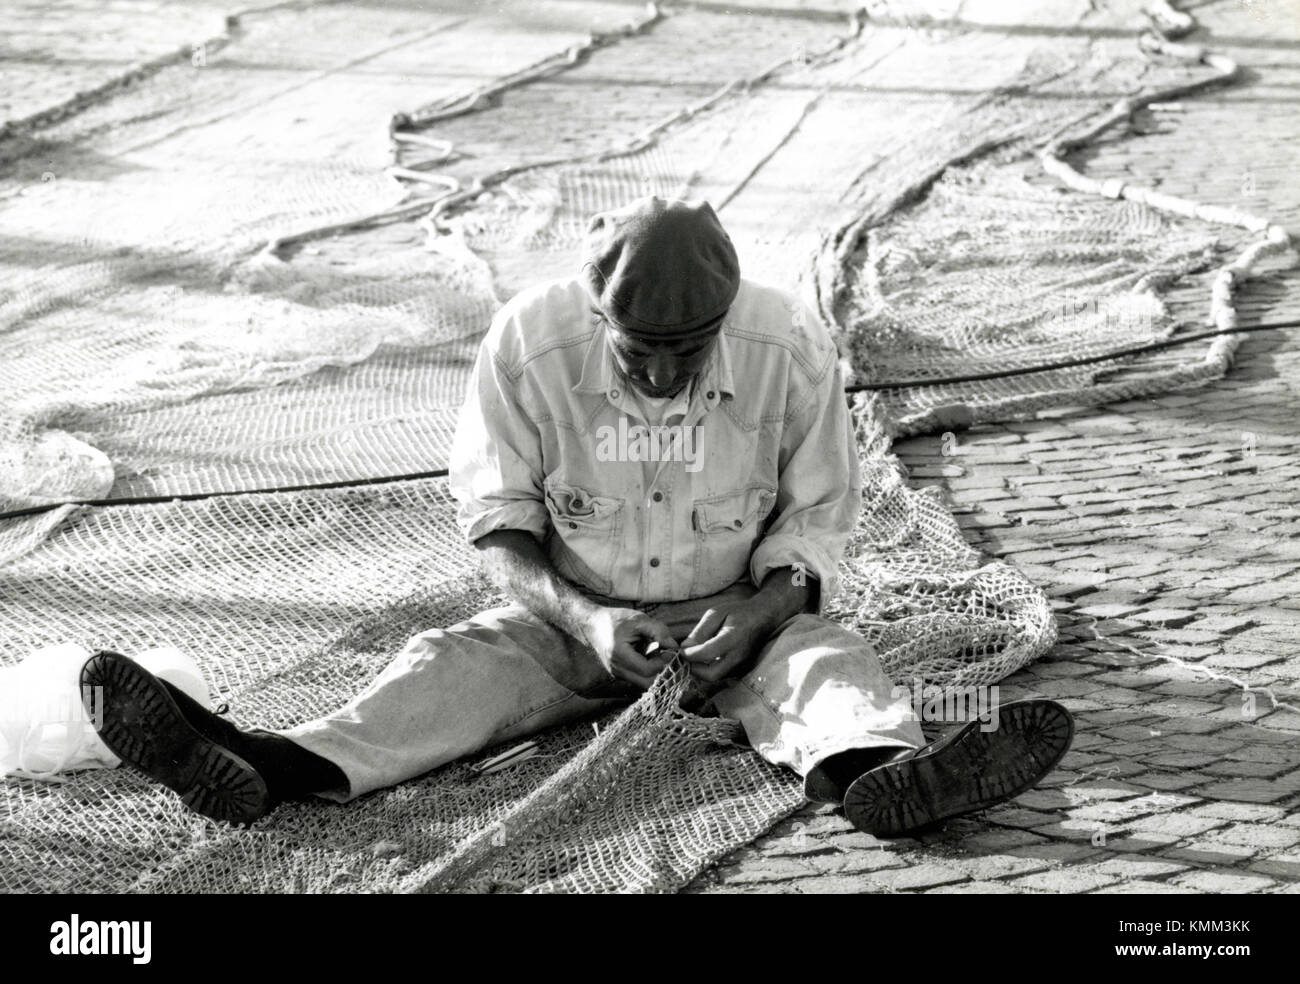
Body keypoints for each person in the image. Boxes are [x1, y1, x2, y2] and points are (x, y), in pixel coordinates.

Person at [81, 196, 1073, 837]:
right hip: (572, 626)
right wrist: (586, 618)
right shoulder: (527, 341)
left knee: (825, 665)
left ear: (727, 321)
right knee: (448, 669)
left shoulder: (790, 344)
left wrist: (766, 608)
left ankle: (888, 779)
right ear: (595, 313)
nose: (661, 373)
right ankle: (259, 764)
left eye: (688, 350)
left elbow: (818, 516)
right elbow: (498, 522)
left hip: (742, 624)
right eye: (639, 349)